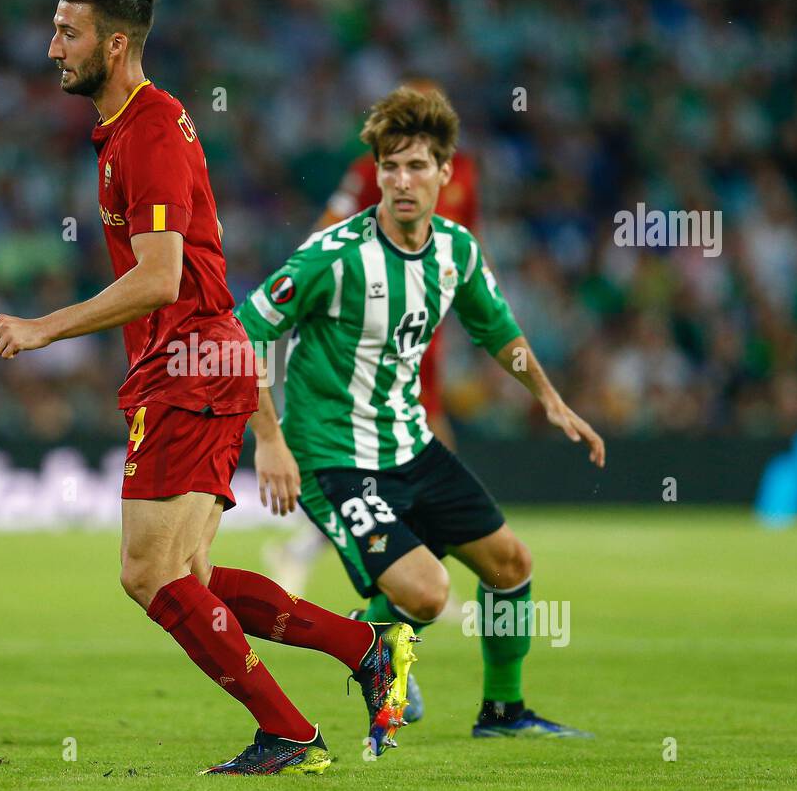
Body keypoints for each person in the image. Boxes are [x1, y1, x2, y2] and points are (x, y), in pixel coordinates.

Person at [0, 0, 418, 774]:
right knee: (193, 577)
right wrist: (268, 429)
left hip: (184, 367)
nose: (52, 47)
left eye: (67, 33)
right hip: (201, 360)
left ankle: (291, 732)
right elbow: (210, 294)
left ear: (115, 44)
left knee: (148, 574)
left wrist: (46, 328)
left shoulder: (149, 130)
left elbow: (164, 278)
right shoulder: (128, 127)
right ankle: (368, 648)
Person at [236, 85, 604, 737]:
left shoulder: (455, 251)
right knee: (429, 592)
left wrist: (549, 399)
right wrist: (268, 438)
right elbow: (245, 332)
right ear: (376, 173)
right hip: (332, 458)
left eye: (416, 166)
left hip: (410, 445)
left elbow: (497, 329)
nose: (401, 181)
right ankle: (372, 649)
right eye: (389, 166)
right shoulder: (334, 255)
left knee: (511, 564)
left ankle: (502, 711)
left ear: (445, 171)